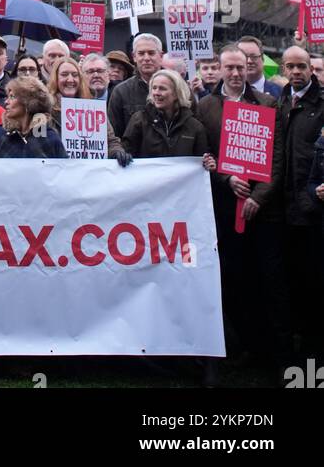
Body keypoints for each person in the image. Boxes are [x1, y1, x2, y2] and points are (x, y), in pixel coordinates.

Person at [197, 44, 290, 367]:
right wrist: (226, 178)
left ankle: (278, 353)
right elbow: (205, 154)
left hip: (263, 211)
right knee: (235, 278)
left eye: (241, 67)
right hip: (225, 208)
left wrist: (257, 197)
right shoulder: (206, 106)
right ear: (220, 68)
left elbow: (277, 157)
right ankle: (244, 347)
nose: (236, 74)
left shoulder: (267, 103)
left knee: (270, 280)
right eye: (230, 68)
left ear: (251, 66)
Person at [275, 46, 324, 350]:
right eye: (290, 67)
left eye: (301, 66)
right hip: (281, 206)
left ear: (310, 68)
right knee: (288, 276)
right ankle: (296, 337)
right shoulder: (278, 102)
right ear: (283, 69)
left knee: (315, 277)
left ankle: (315, 343)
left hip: (313, 206)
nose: (295, 72)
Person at [46, 57, 127, 160]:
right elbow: (37, 142)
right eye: (64, 74)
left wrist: (117, 152)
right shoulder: (44, 109)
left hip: (89, 172)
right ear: (55, 79)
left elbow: (110, 141)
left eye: (75, 75)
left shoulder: (92, 106)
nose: (70, 80)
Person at [121, 70, 208, 159]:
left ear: (176, 93)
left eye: (162, 88)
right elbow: (127, 150)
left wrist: (208, 162)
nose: (156, 93)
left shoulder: (194, 126)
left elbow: (201, 160)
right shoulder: (139, 120)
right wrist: (123, 155)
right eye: (154, 88)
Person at [0, 79, 66, 159]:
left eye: (12, 97)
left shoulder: (50, 139)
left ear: (28, 102)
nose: (6, 102)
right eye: (7, 97)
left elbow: (63, 172)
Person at [107, 33, 162, 137]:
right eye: (141, 53)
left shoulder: (178, 87)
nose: (146, 58)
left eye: (151, 53)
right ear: (134, 57)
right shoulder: (121, 92)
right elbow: (114, 136)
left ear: (161, 56)